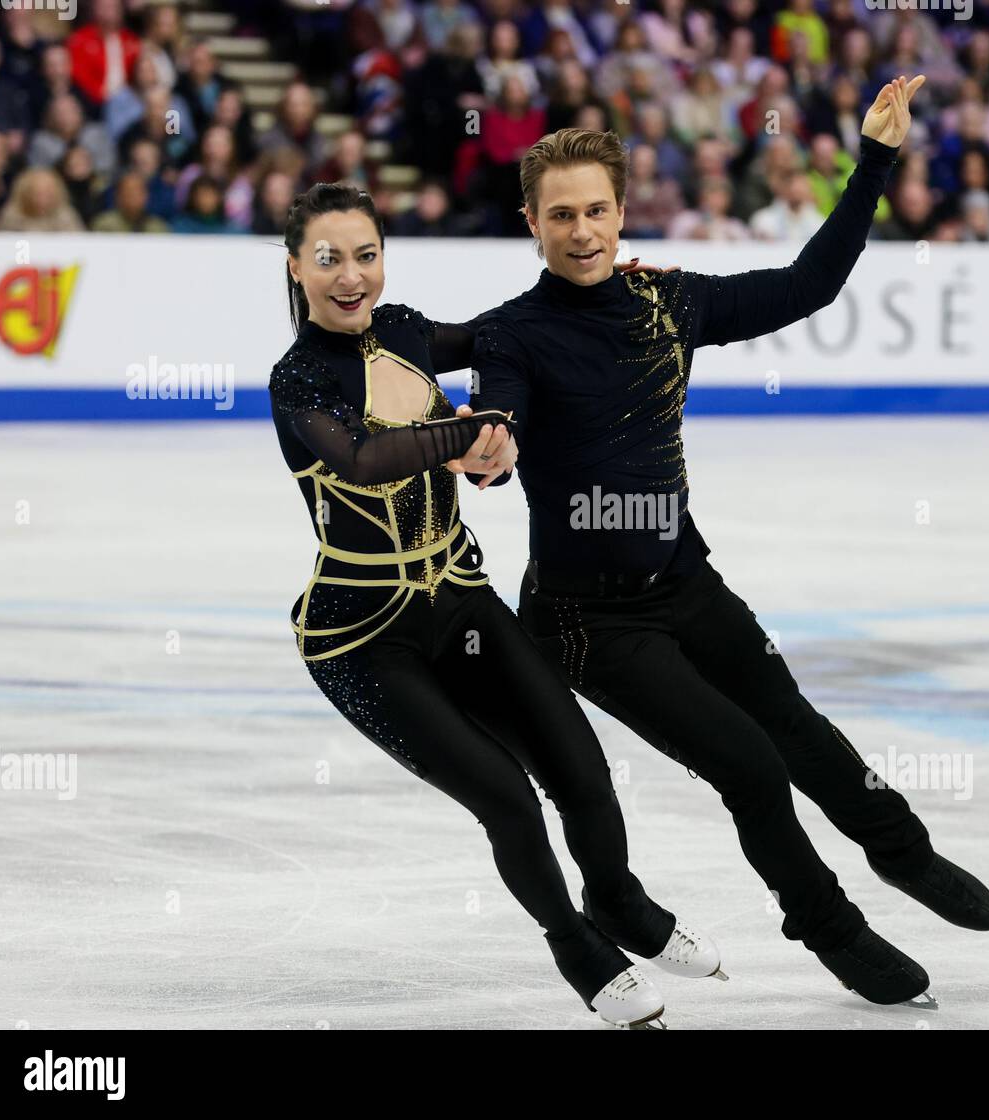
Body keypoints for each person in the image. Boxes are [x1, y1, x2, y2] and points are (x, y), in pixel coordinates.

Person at [469, 76, 989, 1009]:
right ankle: (831, 928)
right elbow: (499, 419)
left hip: (684, 581)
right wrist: (491, 446)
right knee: (751, 767)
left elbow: (807, 284)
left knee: (798, 728)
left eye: (596, 210)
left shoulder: (668, 303)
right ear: (532, 223)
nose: (582, 231)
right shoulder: (512, 337)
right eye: (561, 215)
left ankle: (902, 849)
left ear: (622, 211)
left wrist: (875, 159)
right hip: (588, 622)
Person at [268, 182, 724, 1028]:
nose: (350, 277)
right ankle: (579, 950)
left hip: (460, 602)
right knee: (507, 798)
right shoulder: (297, 378)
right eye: (329, 260)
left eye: (366, 255)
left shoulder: (405, 331)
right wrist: (474, 433)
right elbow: (363, 458)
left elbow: (515, 331)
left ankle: (618, 901)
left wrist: (601, 287)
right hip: (362, 637)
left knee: (580, 767)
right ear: (297, 267)